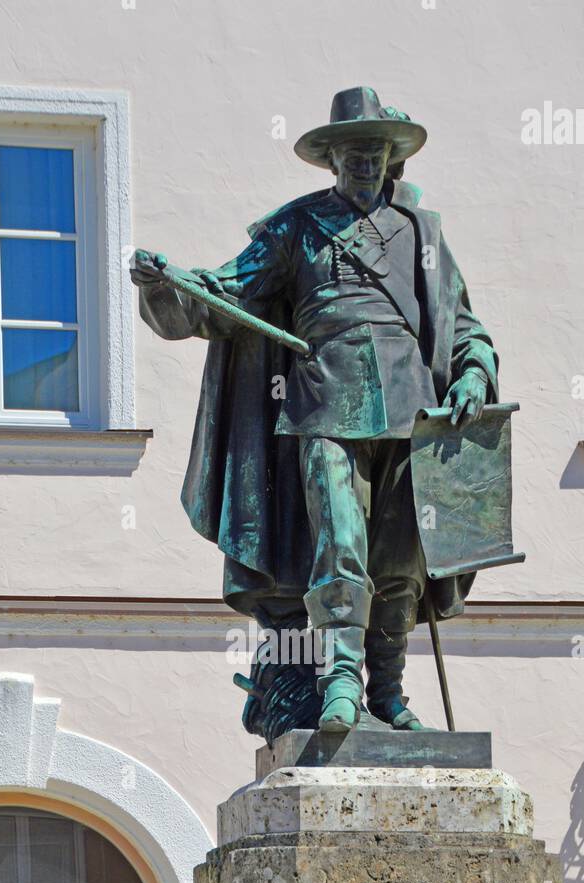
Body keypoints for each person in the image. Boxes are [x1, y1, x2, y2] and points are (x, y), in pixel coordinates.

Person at [131, 87, 498, 732]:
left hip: (416, 415)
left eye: (375, 150)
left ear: (392, 158)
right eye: (351, 150)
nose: (364, 161)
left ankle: (386, 692)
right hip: (325, 402)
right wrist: (170, 285)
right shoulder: (295, 229)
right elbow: (226, 297)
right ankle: (340, 681)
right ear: (331, 158)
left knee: (399, 560)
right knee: (340, 542)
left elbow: (463, 326)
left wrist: (472, 372)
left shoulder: (424, 234)